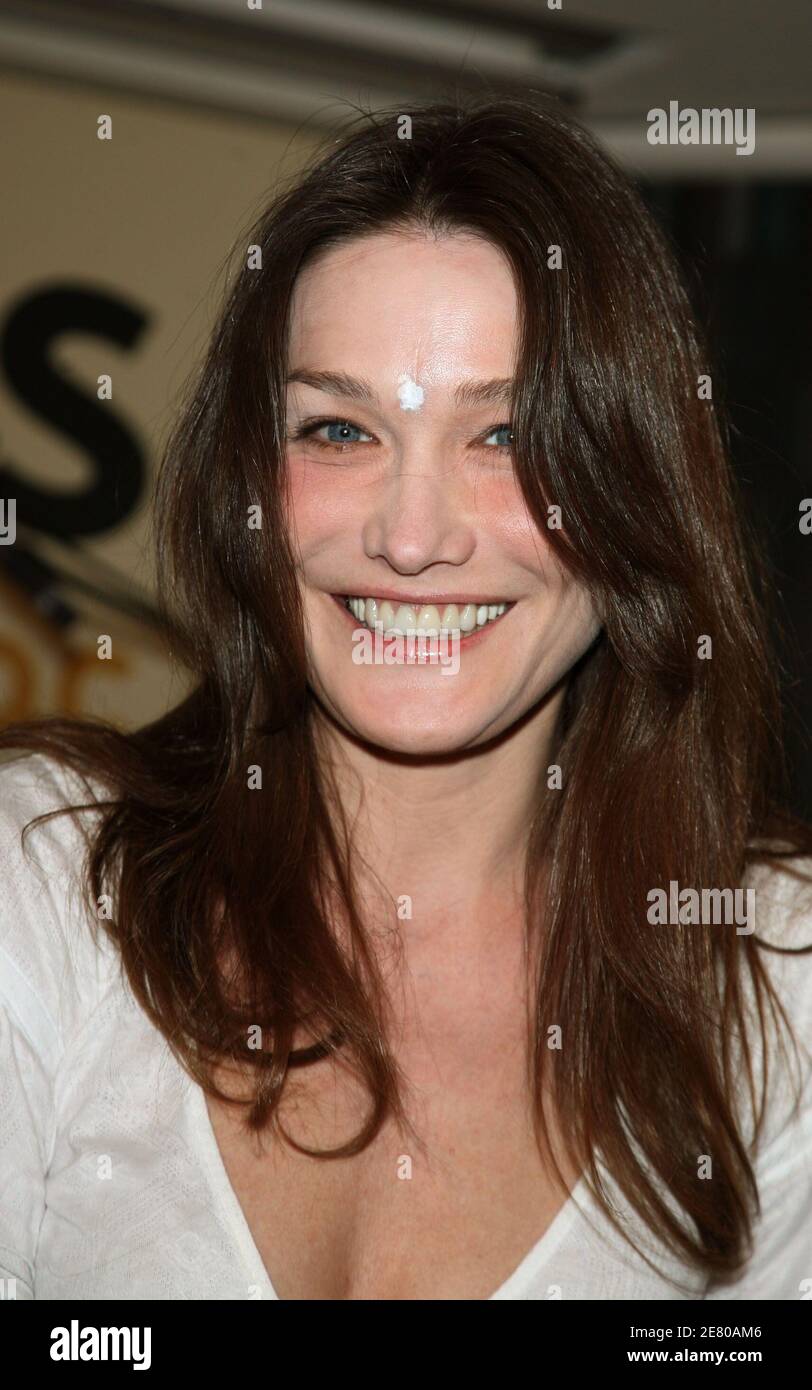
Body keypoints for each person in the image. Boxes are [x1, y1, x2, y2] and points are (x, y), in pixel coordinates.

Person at [1, 96, 811, 1302]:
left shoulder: (776, 976)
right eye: (338, 428)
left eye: (507, 436)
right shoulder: (48, 883)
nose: (411, 536)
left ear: (632, 486)